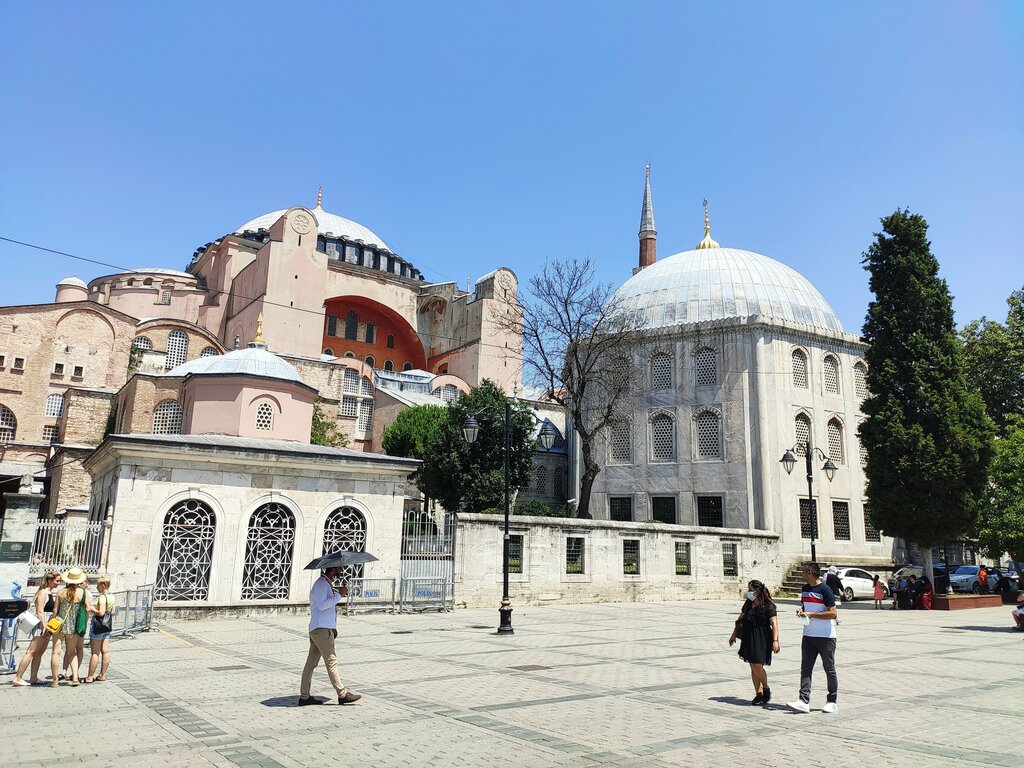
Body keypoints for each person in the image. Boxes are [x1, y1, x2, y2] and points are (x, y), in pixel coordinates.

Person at [298, 566, 361, 706]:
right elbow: (321, 606)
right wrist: (339, 595)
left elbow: (327, 608)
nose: (342, 570)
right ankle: (342, 693)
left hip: (322, 628)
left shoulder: (326, 583)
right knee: (331, 661)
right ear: (333, 569)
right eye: (340, 568)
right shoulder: (321, 584)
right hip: (320, 630)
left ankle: (304, 697)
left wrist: (332, 626)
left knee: (311, 664)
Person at [788, 562, 839, 714]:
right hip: (808, 634)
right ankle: (803, 701)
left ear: (809, 572)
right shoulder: (804, 589)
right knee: (806, 668)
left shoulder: (825, 589)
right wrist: (801, 610)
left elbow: (833, 613)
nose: (802, 573)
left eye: (804, 571)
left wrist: (812, 615)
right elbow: (807, 607)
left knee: (829, 669)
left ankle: (832, 701)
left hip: (825, 636)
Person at [728, 580, 780, 705]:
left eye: (751, 590)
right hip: (748, 636)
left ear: (757, 591)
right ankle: (758, 693)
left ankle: (766, 688)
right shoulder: (748, 603)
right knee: (752, 665)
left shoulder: (768, 606)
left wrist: (775, 641)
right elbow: (740, 619)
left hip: (762, 637)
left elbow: (774, 624)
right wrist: (734, 634)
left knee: (758, 665)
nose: (749, 593)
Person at [11, 571, 60, 686]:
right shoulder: (43, 592)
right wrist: (44, 626)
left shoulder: (50, 592)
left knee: (39, 653)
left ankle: (34, 677)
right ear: (49, 581)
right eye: (57, 580)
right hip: (41, 625)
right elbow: (40, 611)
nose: (58, 583)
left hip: (48, 626)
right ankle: (18, 677)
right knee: (31, 651)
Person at [50, 568, 91, 687]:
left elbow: (55, 610)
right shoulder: (83, 593)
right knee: (71, 653)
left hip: (59, 625)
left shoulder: (61, 592)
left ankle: (55, 680)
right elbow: (88, 608)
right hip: (73, 626)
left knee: (55, 653)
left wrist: (51, 623)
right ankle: (75, 678)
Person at [85, 576, 114, 683]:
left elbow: (101, 612)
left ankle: (90, 676)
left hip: (98, 625)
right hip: (107, 625)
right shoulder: (112, 596)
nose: (97, 587)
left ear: (103, 585)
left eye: (98, 585)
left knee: (95, 653)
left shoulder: (102, 597)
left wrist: (90, 608)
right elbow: (112, 612)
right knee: (105, 651)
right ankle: (102, 675)